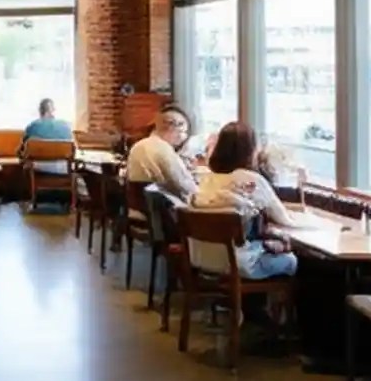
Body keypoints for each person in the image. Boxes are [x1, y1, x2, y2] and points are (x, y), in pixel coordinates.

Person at [190, 121, 297, 282]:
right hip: (240, 264)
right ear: (251, 150)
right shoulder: (252, 180)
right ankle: (264, 306)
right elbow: (284, 220)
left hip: (202, 259)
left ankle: (252, 305)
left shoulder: (207, 179)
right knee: (291, 260)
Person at [127, 104, 198, 201]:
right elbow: (188, 190)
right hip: (162, 212)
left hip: (140, 208)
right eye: (184, 132)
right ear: (176, 126)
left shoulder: (138, 146)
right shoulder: (164, 150)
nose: (184, 137)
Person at [19, 98, 73, 175]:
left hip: (38, 168)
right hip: (63, 168)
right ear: (53, 110)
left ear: (40, 111)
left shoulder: (33, 126)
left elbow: (21, 151)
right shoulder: (65, 126)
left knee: (26, 165)